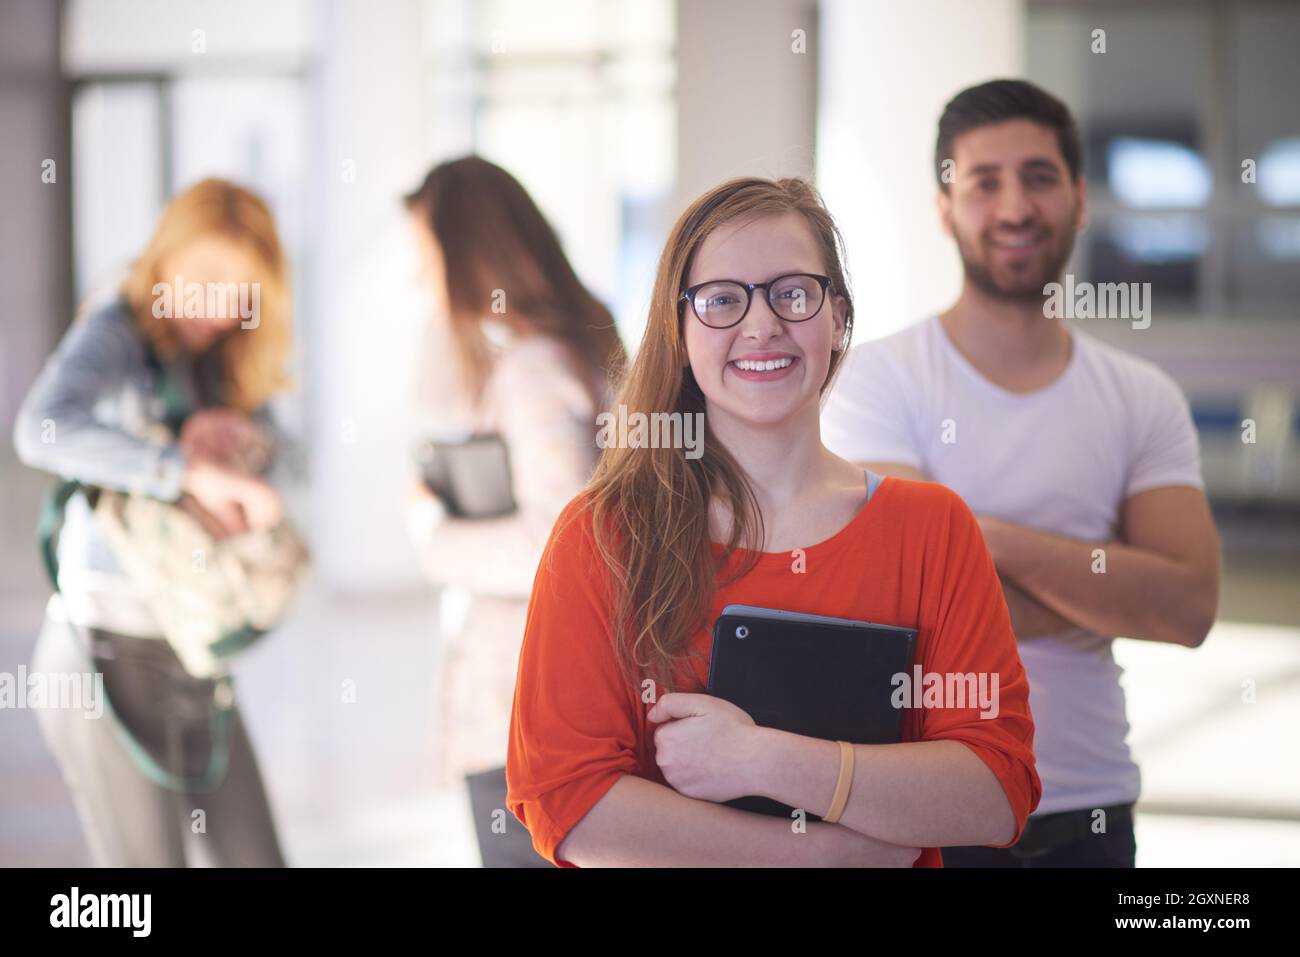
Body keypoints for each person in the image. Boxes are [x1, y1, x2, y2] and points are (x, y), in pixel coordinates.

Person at [506, 176, 1041, 867]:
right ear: (680, 327)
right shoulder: (601, 536)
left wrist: (762, 758)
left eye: (792, 293)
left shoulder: (932, 527)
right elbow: (569, 803)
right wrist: (821, 855)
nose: (761, 326)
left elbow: (995, 793)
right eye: (723, 300)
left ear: (838, 318)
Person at [822, 79, 1222, 867]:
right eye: (984, 181)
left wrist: (974, 532)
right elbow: (902, 610)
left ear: (1078, 199)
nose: (1013, 208)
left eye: (1039, 177)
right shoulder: (879, 379)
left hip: (1091, 809)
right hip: (928, 803)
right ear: (944, 207)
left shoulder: (1141, 398)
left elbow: (1188, 604)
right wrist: (1106, 588)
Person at [13, 178, 294, 866]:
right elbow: (38, 428)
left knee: (256, 855)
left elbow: (278, 452)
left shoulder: (218, 354)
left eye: (239, 288)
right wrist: (181, 467)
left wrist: (240, 447)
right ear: (165, 257)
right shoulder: (118, 328)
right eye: (203, 276)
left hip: (191, 645)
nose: (217, 303)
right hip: (102, 647)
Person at [400, 156, 625, 865]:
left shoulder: (532, 370)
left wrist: (432, 531)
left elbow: (552, 542)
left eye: (428, 259)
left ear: (468, 258)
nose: (421, 280)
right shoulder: (555, 356)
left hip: (524, 706)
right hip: (542, 699)